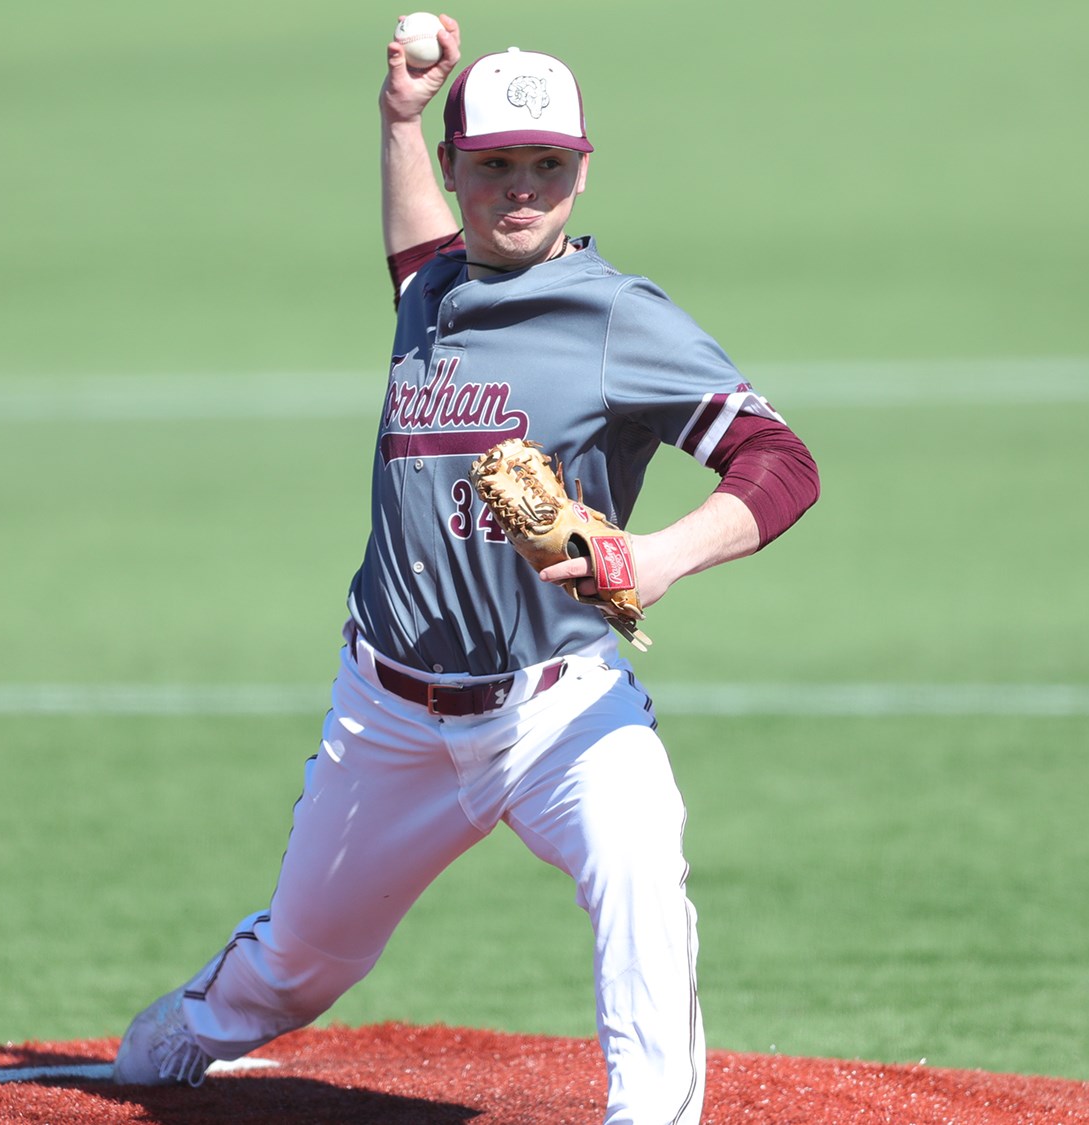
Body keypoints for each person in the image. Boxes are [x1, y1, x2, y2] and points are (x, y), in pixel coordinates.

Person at [112, 16, 820, 1124]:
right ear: (456, 170)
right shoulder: (428, 293)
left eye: (547, 165)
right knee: (303, 959)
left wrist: (657, 556)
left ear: (581, 175)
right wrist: (398, 115)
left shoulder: (615, 318)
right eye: (493, 165)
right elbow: (409, 246)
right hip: (386, 717)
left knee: (639, 865)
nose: (521, 190)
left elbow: (780, 462)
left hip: (559, 707)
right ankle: (192, 1029)